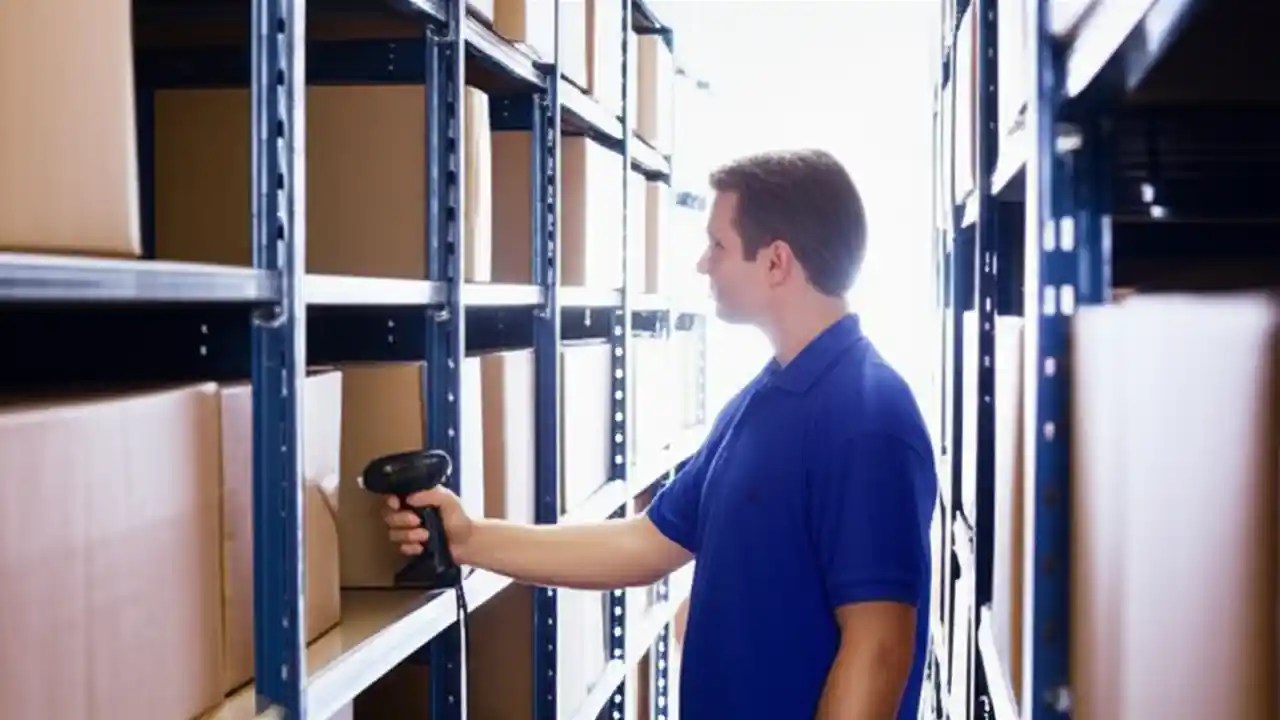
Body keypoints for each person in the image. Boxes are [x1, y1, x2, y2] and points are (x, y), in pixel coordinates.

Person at [383, 148, 938, 719]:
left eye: (718, 245)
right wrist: (470, 538)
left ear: (776, 262)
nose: (703, 264)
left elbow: (879, 648)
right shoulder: (766, 399)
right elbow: (647, 543)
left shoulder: (868, 418)